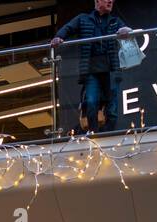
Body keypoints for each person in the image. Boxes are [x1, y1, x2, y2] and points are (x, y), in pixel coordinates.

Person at [50, 0, 134, 135]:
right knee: (91, 102)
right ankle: (94, 134)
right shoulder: (83, 19)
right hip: (91, 71)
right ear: (97, 1)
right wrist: (59, 37)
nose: (110, 1)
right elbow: (67, 29)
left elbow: (129, 32)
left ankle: (108, 135)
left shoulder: (115, 21)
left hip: (111, 71)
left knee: (112, 108)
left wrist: (127, 31)